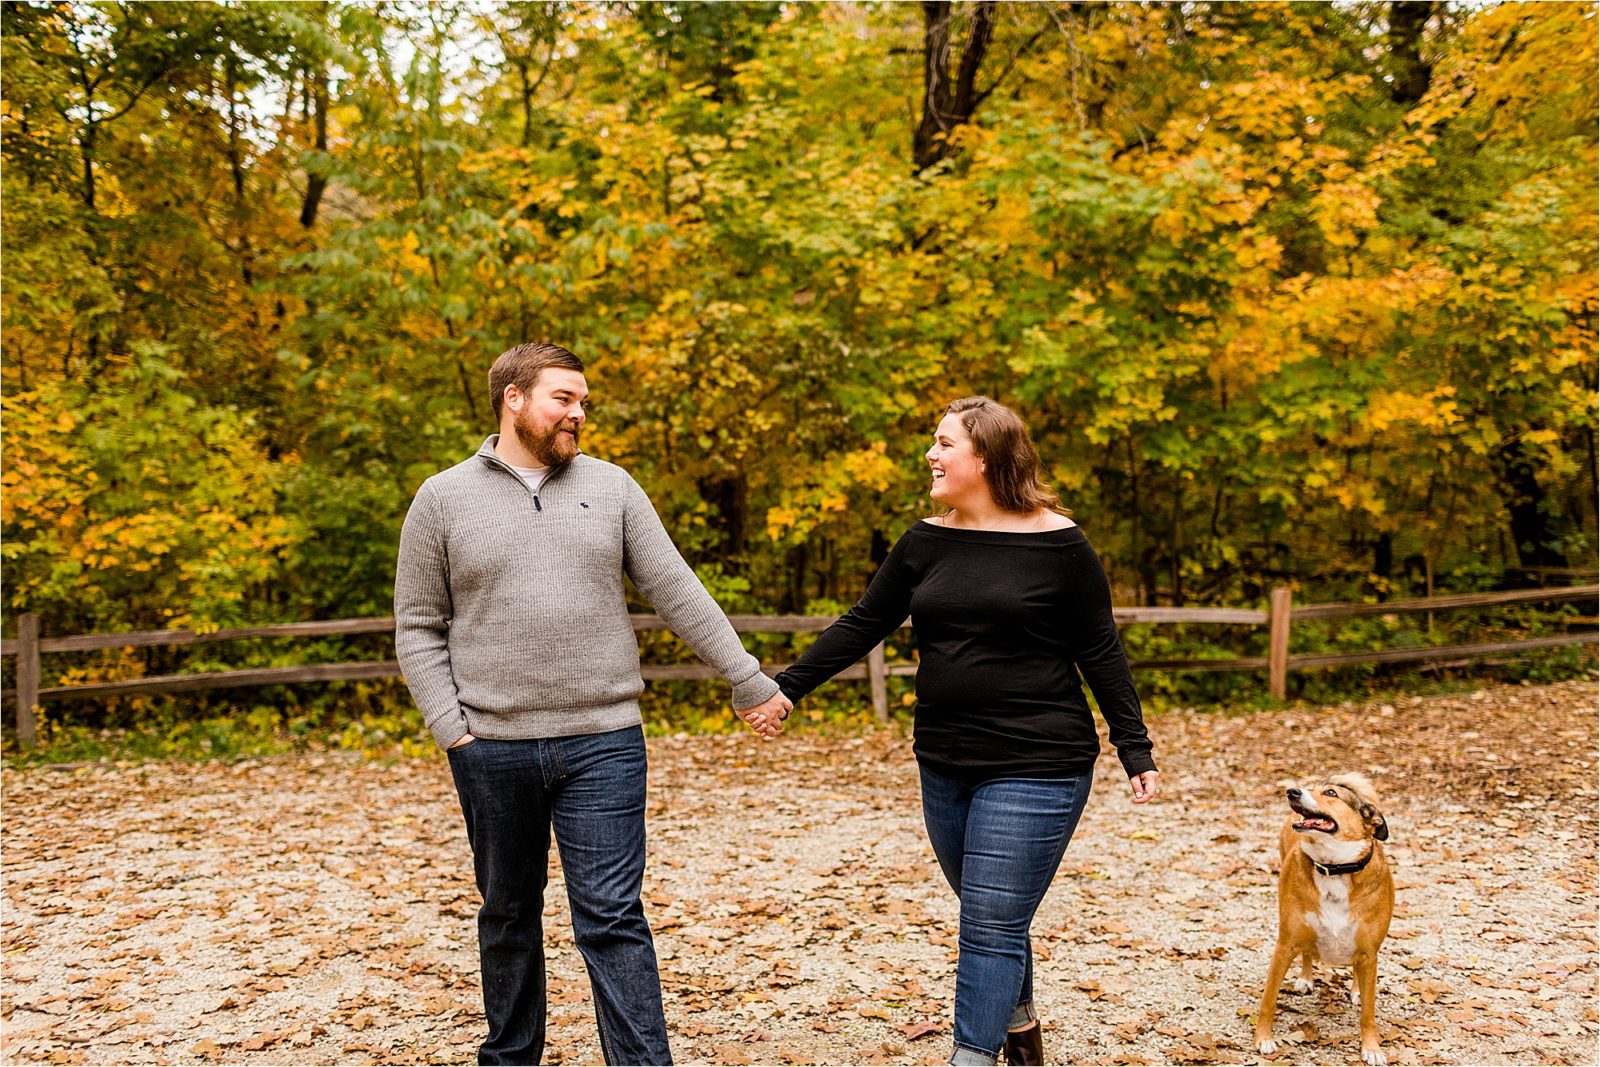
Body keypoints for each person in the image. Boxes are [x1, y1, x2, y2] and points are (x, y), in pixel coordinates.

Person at [394, 341, 791, 1066]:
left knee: (611, 917)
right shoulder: (442, 498)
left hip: (605, 740)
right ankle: (510, 1056)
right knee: (508, 915)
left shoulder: (611, 488)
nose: (578, 413)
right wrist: (453, 731)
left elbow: (676, 588)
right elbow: (418, 625)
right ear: (512, 398)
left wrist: (747, 675)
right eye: (563, 399)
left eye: (583, 402)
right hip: (492, 747)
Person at [764, 396, 1160, 1067]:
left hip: (1039, 761)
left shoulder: (1061, 544)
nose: (931, 453)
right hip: (943, 762)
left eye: (945, 442)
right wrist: (787, 688)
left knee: (988, 923)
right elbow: (865, 622)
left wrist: (1134, 745)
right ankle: (1023, 1032)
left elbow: (1100, 648)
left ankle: (971, 1055)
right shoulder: (924, 541)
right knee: (992, 917)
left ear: (988, 457)